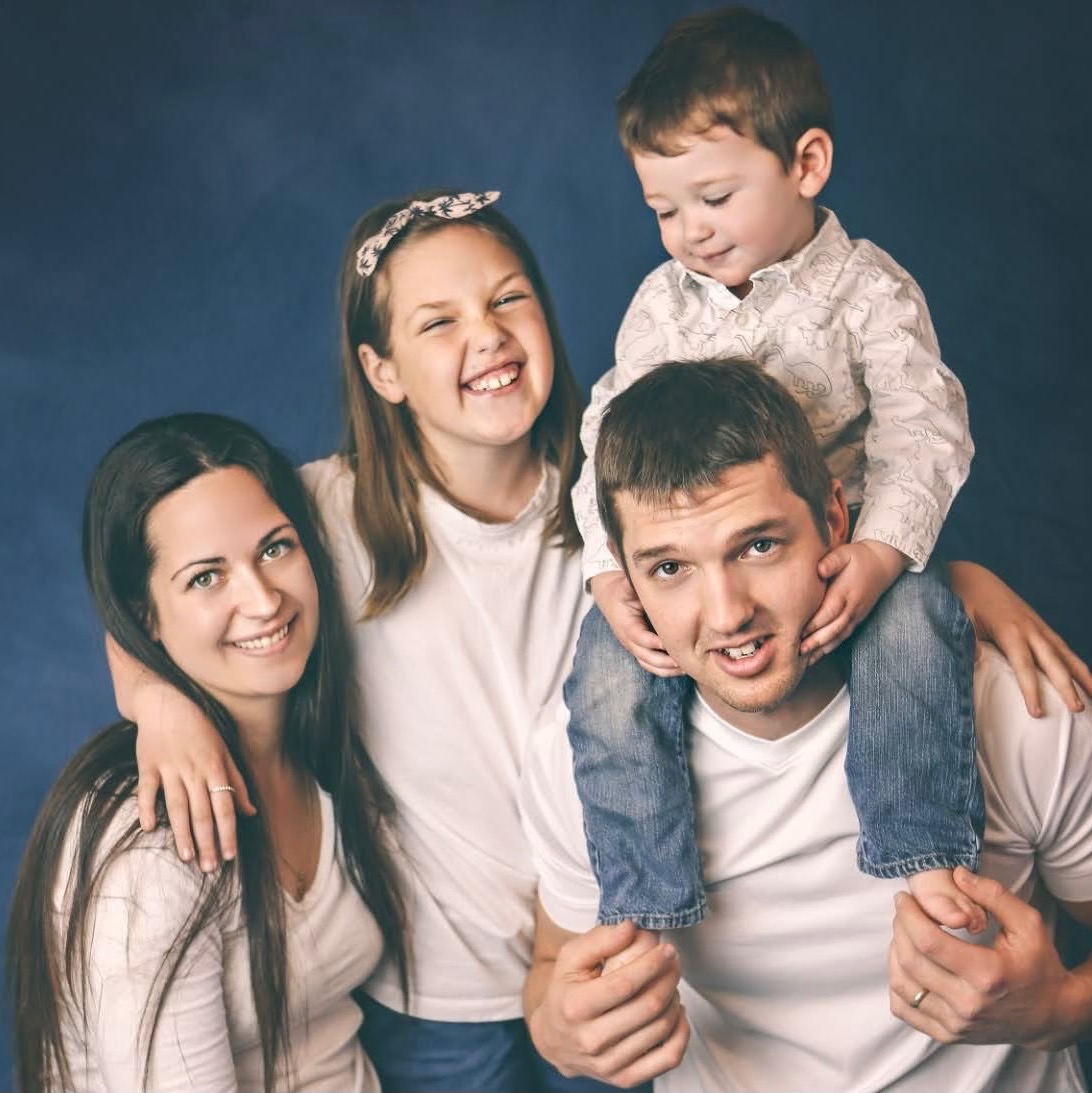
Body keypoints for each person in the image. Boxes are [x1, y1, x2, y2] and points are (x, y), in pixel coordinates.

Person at [565, 4, 1090, 940]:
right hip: (715, 556)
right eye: (665, 211)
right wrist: (611, 569)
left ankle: (924, 850)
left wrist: (882, 554)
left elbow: (925, 429)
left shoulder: (868, 291)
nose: (690, 232)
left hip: (842, 551)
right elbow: (610, 440)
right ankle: (644, 899)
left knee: (916, 632)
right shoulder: (661, 307)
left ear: (806, 165)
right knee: (606, 670)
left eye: (714, 198)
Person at [105, 192, 615, 1092]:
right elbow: (153, 592)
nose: (487, 335)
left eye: (508, 298)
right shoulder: (325, 513)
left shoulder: (614, 498)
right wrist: (159, 705)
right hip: (432, 990)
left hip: (601, 951)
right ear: (383, 372)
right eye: (438, 322)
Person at [523, 359, 1092, 1092]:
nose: (727, 613)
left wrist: (1060, 1009)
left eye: (758, 545)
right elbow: (550, 971)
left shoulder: (1016, 708)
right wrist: (555, 1030)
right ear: (622, 577)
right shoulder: (587, 755)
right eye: (669, 568)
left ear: (833, 519)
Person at [5, 412, 407, 1093]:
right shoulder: (149, 845)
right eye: (205, 578)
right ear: (144, 617)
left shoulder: (321, 750)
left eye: (275, 549)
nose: (263, 600)